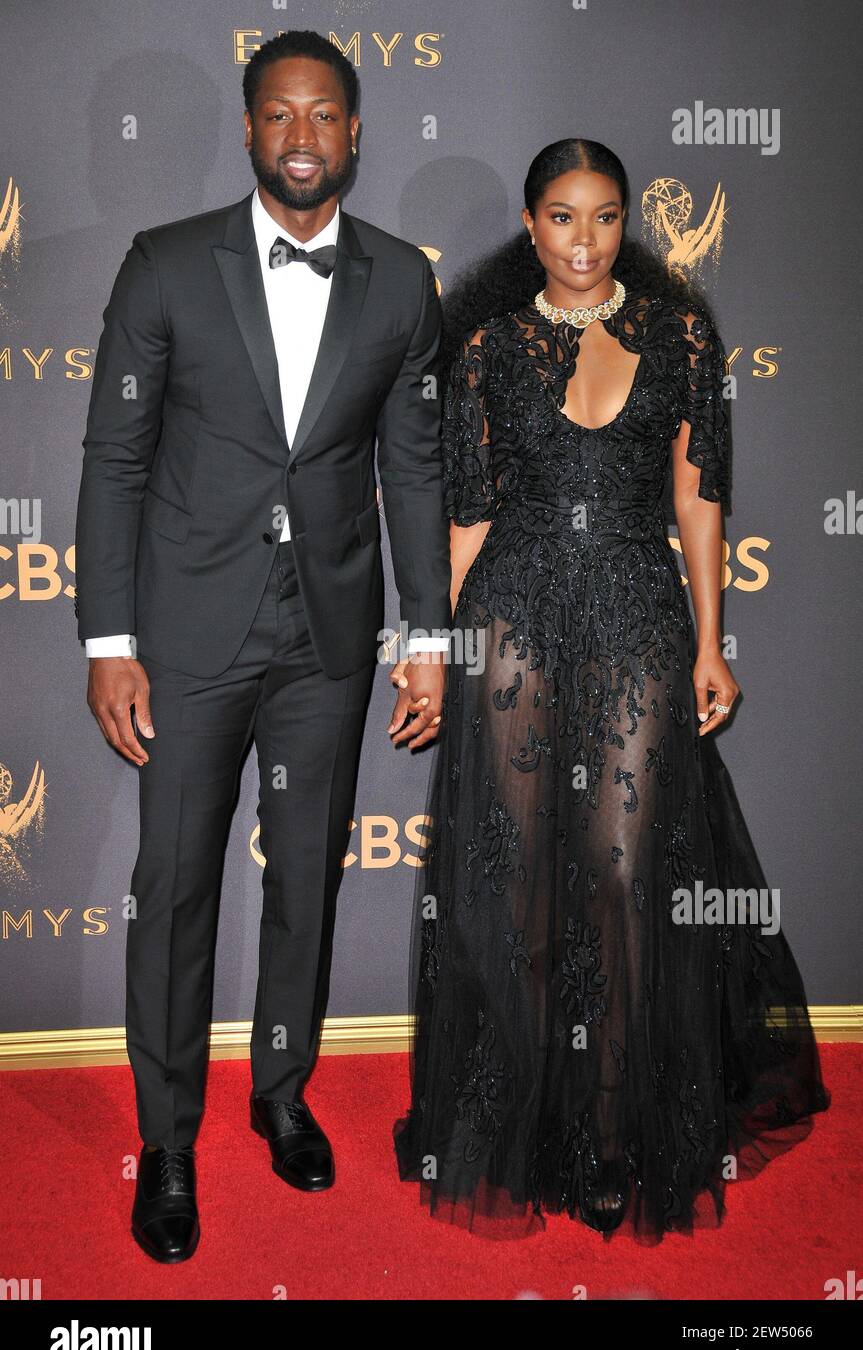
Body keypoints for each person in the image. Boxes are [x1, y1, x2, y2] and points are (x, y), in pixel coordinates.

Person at [392, 138, 830, 1244]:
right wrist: (425, 645)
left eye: (601, 216)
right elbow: (467, 519)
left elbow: (696, 506)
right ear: (529, 226)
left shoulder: (680, 337)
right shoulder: (488, 346)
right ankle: (520, 1121)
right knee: (515, 887)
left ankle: (605, 1132)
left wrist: (710, 643)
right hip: (514, 616)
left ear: (623, 220)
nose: (581, 239)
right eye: (558, 216)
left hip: (636, 611)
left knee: (625, 879)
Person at [74, 29, 449, 1264]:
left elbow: (410, 462)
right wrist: (111, 638)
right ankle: (167, 1142)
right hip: (185, 636)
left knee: (307, 876)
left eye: (323, 115)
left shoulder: (401, 280)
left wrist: (425, 631)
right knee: (174, 888)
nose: (301, 136)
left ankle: (281, 1093)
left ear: (353, 132)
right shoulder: (167, 264)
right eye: (278, 115)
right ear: (249, 131)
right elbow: (115, 461)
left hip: (327, 638)